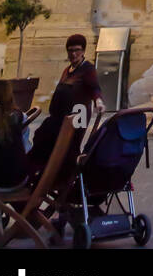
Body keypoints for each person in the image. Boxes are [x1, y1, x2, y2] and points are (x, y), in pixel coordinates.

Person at [26, 34, 104, 179]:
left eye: (77, 50)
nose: (73, 54)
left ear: (83, 51)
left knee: (68, 146)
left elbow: (95, 88)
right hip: (59, 118)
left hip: (76, 118)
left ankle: (61, 174)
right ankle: (40, 170)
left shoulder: (87, 69)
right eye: (70, 50)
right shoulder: (67, 70)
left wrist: (98, 102)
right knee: (42, 137)